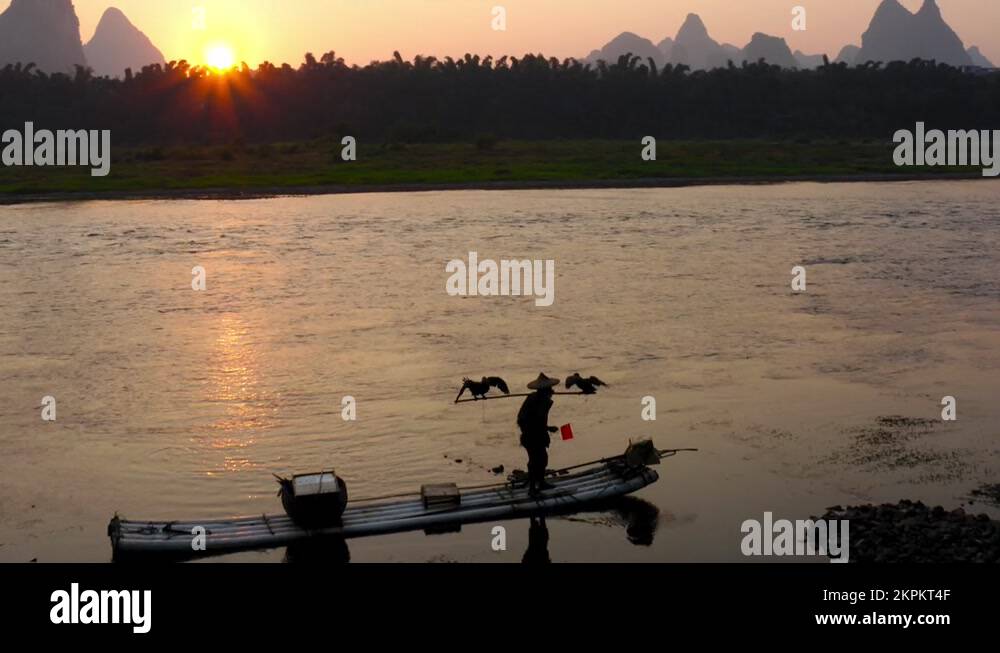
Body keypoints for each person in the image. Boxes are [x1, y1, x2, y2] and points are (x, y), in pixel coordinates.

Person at [517, 373, 560, 496]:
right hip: (531, 436)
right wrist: (546, 428)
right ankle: (532, 489)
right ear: (544, 390)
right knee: (535, 461)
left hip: (537, 435)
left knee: (543, 459)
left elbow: (538, 421)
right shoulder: (536, 401)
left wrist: (547, 428)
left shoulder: (540, 399)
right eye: (550, 389)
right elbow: (529, 420)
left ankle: (541, 482)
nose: (552, 391)